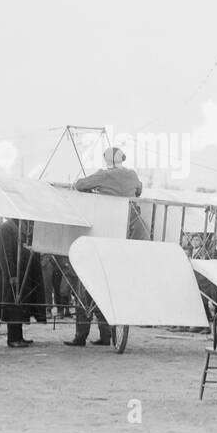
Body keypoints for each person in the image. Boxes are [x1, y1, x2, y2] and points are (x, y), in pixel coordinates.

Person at [67, 148, 143, 346]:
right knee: (109, 289)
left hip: (102, 237)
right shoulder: (132, 174)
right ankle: (106, 334)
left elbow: (80, 185)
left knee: (85, 286)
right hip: (123, 238)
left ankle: (80, 336)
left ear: (107, 160)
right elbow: (139, 190)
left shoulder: (104, 174)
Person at [0, 218, 43, 347]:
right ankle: (13, 339)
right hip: (11, 274)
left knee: (18, 306)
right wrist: (11, 274)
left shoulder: (17, 226)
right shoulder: (6, 228)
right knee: (12, 306)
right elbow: (5, 254)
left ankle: (19, 336)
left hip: (20, 273)